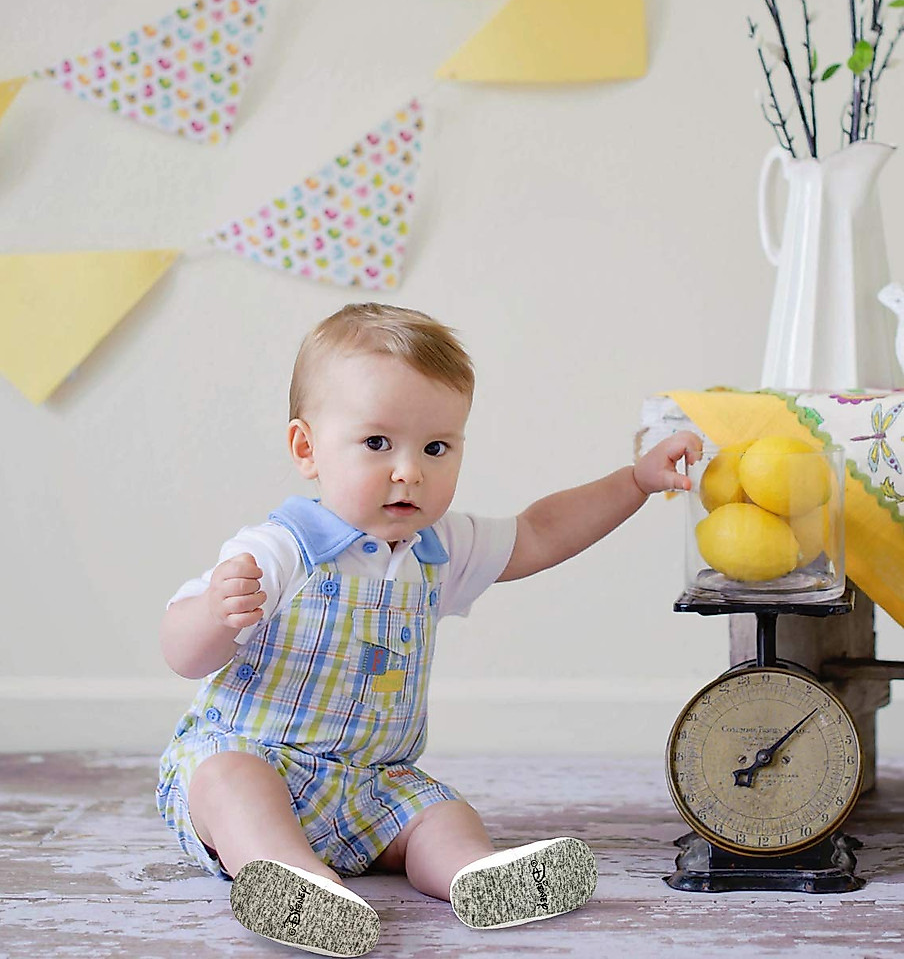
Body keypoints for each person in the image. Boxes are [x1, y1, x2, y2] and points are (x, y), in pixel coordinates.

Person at [155, 302, 700, 956]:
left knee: (440, 815)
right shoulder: (281, 549)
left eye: (436, 447)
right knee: (229, 781)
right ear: (307, 448)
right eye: (378, 443)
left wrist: (635, 482)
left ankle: (476, 877)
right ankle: (293, 883)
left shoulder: (436, 547)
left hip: (372, 784)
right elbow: (181, 654)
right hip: (259, 760)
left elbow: (540, 532)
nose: (409, 469)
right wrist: (216, 614)